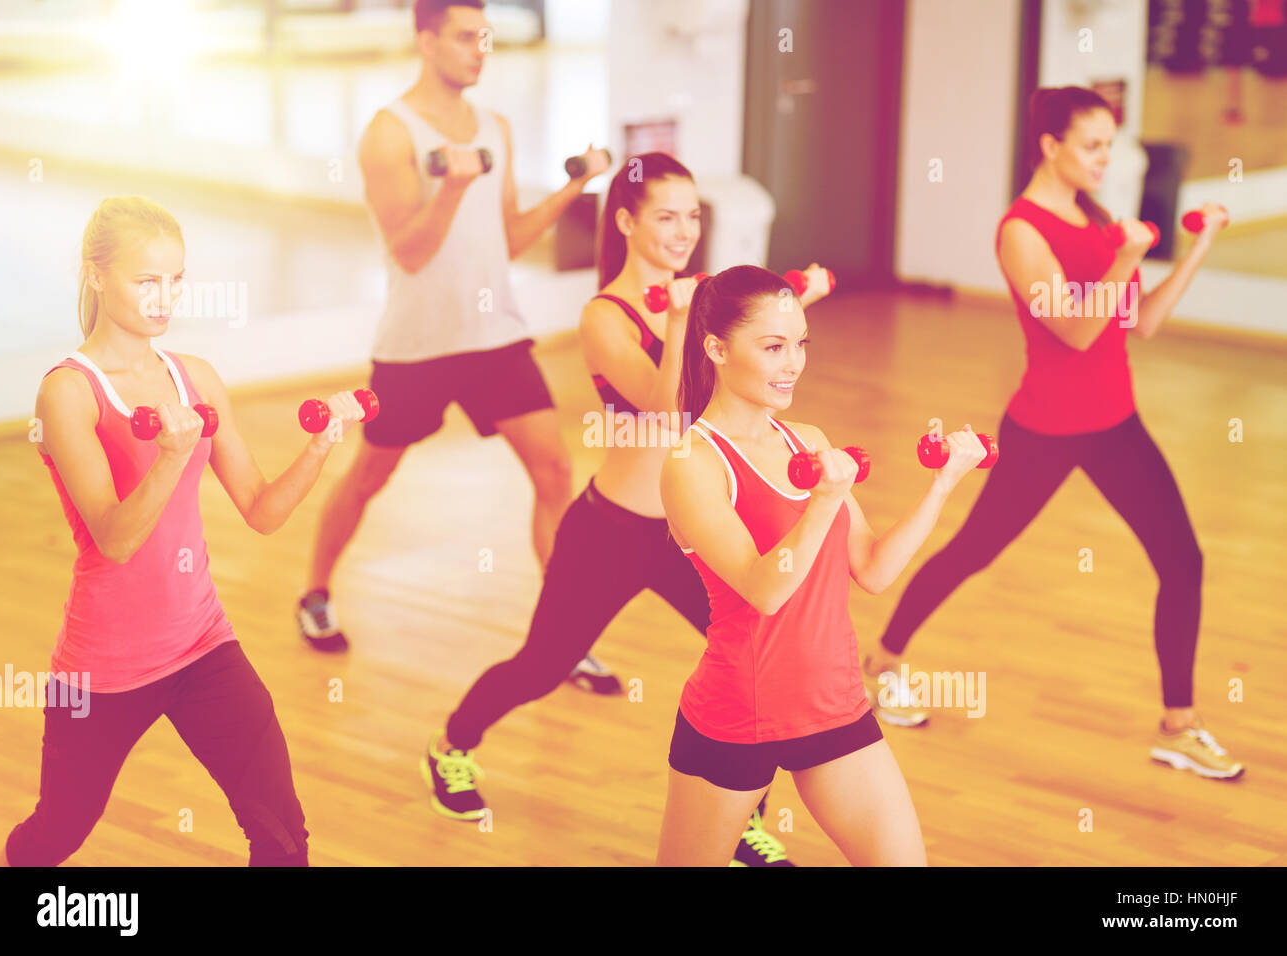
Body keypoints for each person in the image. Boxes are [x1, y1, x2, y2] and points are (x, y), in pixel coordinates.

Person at [425, 154, 834, 865]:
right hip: (612, 530)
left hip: (695, 528)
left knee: (752, 661)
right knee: (544, 663)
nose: (683, 232)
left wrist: (799, 295)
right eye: (666, 217)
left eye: (693, 217)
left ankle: (744, 820)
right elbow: (666, 408)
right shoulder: (604, 316)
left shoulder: (701, 299)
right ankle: (451, 745)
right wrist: (680, 319)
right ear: (625, 222)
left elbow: (751, 345)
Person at [864, 86, 1243, 780]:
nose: (1105, 158)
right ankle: (881, 664)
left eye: (1109, 144)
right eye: (1092, 145)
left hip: (1115, 422)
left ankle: (1178, 729)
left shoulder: (1095, 216)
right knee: (974, 550)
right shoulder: (1022, 231)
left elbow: (1143, 323)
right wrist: (1125, 257)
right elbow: (1072, 329)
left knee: (1183, 560)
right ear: (1050, 145)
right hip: (1045, 426)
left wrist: (1198, 246)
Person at [4, 196, 366, 866]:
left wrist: (320, 447)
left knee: (283, 838)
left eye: (176, 280)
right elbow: (114, 538)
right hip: (103, 671)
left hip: (203, 647)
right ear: (96, 274)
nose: (165, 298)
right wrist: (172, 457)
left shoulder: (193, 377)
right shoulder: (69, 393)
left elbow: (260, 509)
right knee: (56, 835)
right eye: (147, 281)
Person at [296, 0, 615, 693]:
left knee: (555, 472)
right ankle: (316, 592)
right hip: (417, 348)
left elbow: (509, 239)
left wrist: (573, 187)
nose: (480, 51)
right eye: (467, 38)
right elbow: (408, 253)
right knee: (370, 477)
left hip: (494, 335)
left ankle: (562, 639)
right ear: (427, 39)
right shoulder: (389, 134)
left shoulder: (493, 127)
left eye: (486, 39)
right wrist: (452, 188)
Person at [657, 264, 988, 866]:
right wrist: (825, 501)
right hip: (739, 712)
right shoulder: (692, 463)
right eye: (774, 346)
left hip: (833, 702)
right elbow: (766, 590)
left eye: (801, 343)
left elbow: (873, 569)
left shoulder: (805, 438)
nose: (793, 363)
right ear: (716, 349)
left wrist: (943, 485)